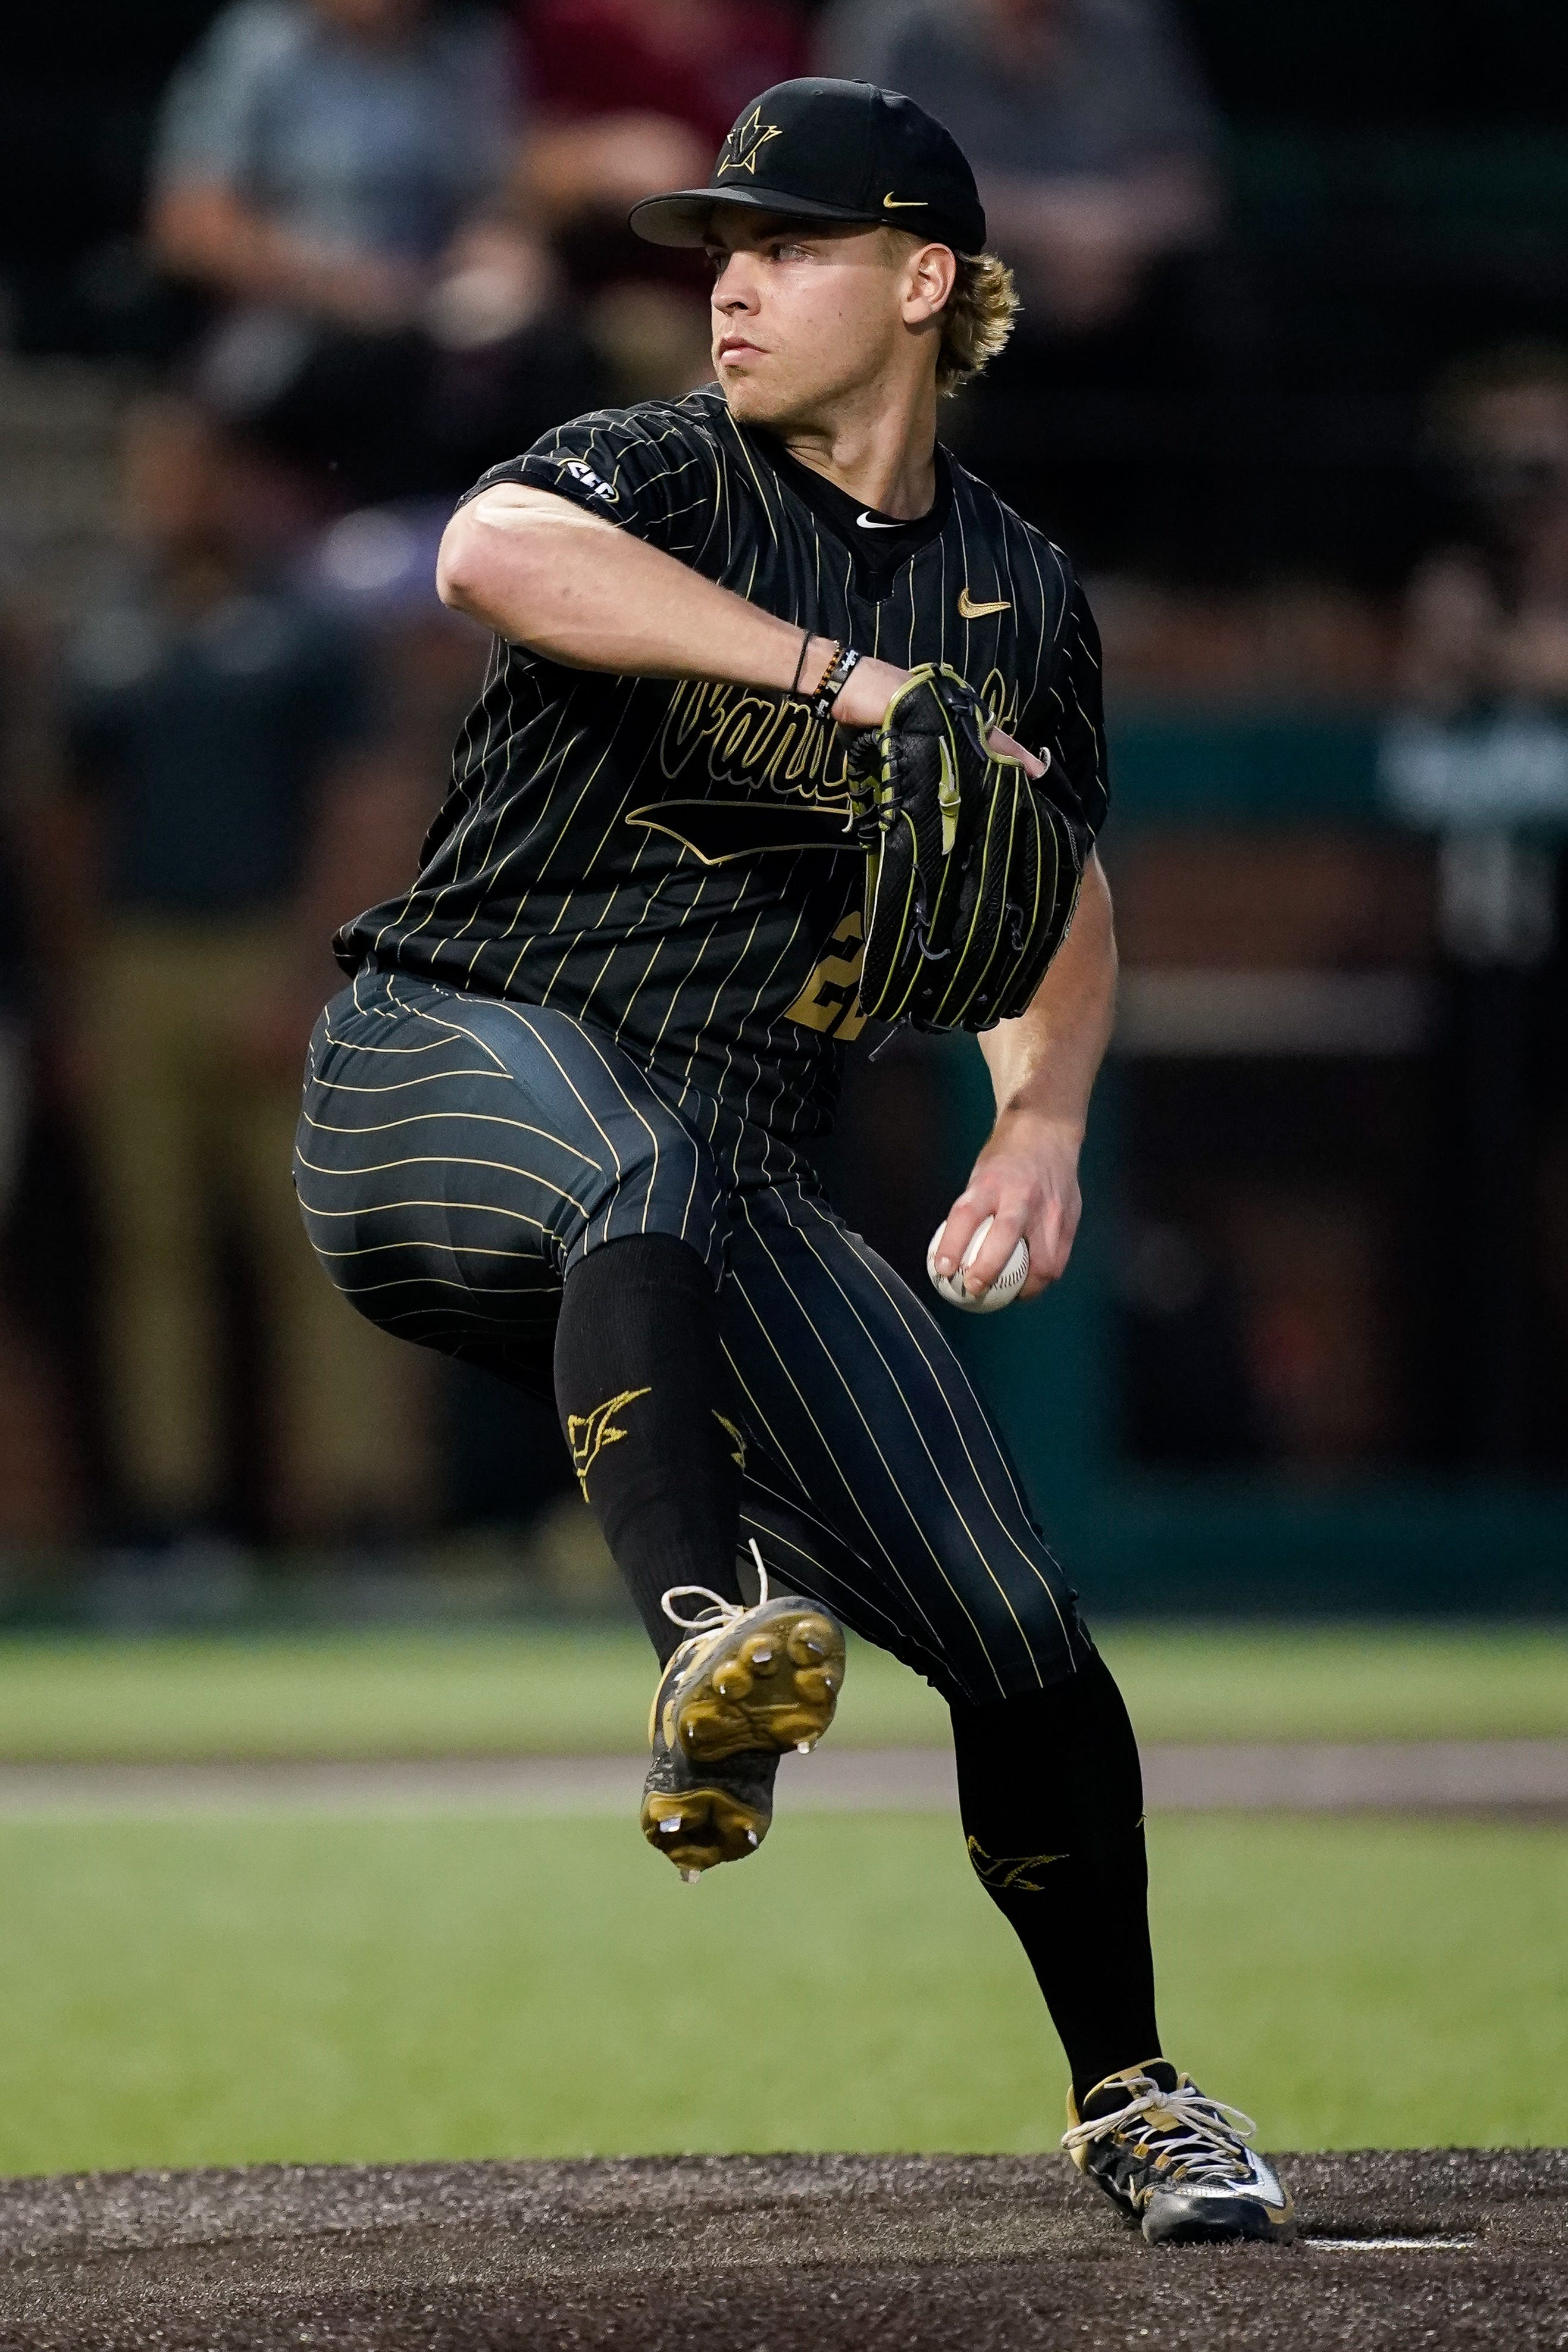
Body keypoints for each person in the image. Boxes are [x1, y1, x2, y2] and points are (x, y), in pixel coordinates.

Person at [295, 77, 1293, 2244]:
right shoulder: (659, 467)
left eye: (791, 244)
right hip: (433, 1065)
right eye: (717, 248)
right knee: (627, 1151)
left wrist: (1041, 1111)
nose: (731, 282)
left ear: (922, 282)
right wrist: (844, 685)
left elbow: (1048, 882)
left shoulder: (1019, 596)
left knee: (1016, 1622)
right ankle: (701, 1639)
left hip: (712, 1169)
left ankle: (1131, 2088)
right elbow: (488, 549)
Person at [64, 396, 426, 1544]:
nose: (171, 496)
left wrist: (313, 971)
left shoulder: (307, 630)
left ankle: (354, 1506)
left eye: (192, 472)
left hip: (269, 945)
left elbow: (362, 809)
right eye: (152, 474)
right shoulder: (106, 632)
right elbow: (65, 824)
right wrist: (83, 990)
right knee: (149, 1255)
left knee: (317, 1240)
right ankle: (171, 1516)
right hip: (139, 957)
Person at [149, 0, 605, 500]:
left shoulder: (469, 49)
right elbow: (192, 226)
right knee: (377, 373)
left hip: (441, 317)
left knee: (556, 361)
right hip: (294, 327)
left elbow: (499, 194)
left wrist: (506, 250)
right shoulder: (260, 46)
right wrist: (351, 290)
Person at [816, 0, 1218, 336]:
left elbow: (1190, 185)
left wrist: (1118, 233)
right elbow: (884, 185)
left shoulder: (1127, 25)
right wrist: (1052, 231)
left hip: (1125, 270)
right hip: (963, 272)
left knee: (1216, 293)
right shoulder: (896, 30)